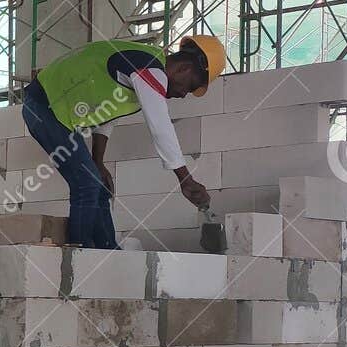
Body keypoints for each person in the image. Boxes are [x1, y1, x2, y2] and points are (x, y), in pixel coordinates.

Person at [21, 35, 225, 249]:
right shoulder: (149, 68)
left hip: (53, 111)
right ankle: (76, 258)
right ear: (185, 68)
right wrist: (185, 179)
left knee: (98, 185)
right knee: (86, 183)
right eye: (190, 87)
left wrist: (98, 161)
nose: (184, 94)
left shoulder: (140, 68)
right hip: (43, 106)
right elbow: (160, 125)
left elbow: (107, 114)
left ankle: (108, 251)